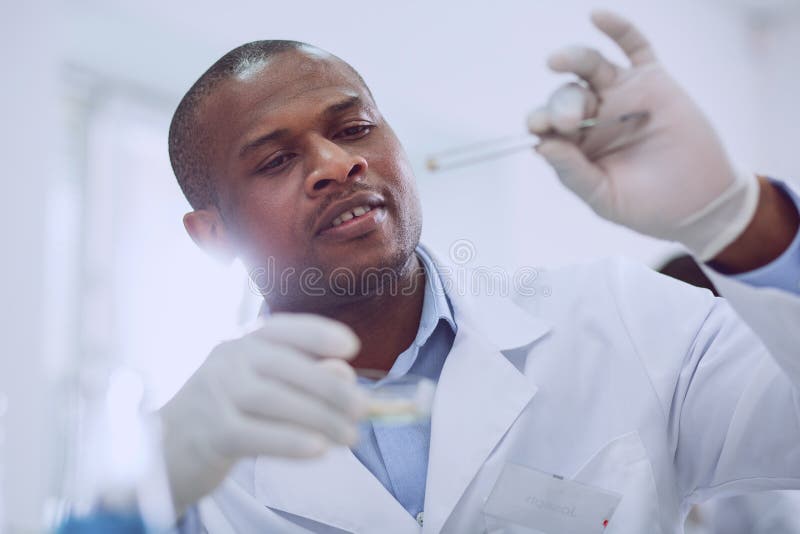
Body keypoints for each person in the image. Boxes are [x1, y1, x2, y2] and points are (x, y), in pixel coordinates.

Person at [159, 10, 800, 533]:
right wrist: (150, 493)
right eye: (275, 161)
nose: (336, 163)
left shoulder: (619, 320)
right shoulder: (183, 462)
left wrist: (737, 218)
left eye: (354, 127)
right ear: (213, 233)